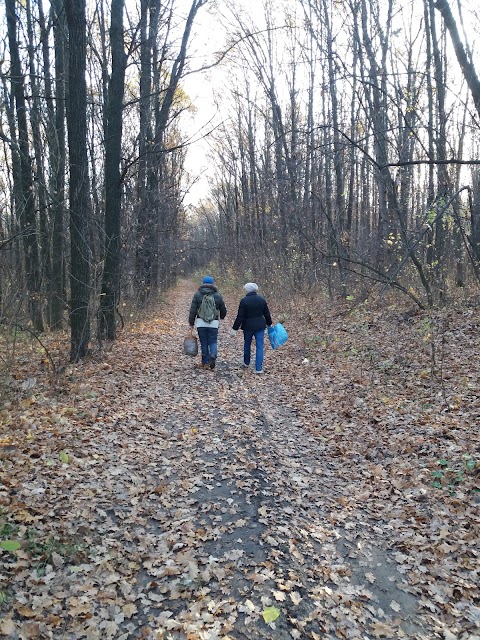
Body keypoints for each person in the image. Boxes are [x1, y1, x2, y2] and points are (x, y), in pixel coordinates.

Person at [230, 282, 272, 374]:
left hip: (248, 326)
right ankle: (258, 368)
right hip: (260, 326)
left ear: (247, 290)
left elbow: (240, 316)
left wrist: (234, 329)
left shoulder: (244, 301)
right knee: (260, 346)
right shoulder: (262, 300)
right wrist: (269, 324)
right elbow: (267, 314)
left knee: (247, 344)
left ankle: (246, 362)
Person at [189, 276, 227, 370]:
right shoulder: (217, 295)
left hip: (201, 322)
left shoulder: (198, 294)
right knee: (213, 341)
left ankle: (205, 362)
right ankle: (213, 354)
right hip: (213, 322)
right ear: (212, 283)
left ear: (203, 283)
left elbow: (193, 310)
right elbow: (223, 309)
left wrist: (191, 322)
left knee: (204, 342)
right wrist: (221, 316)